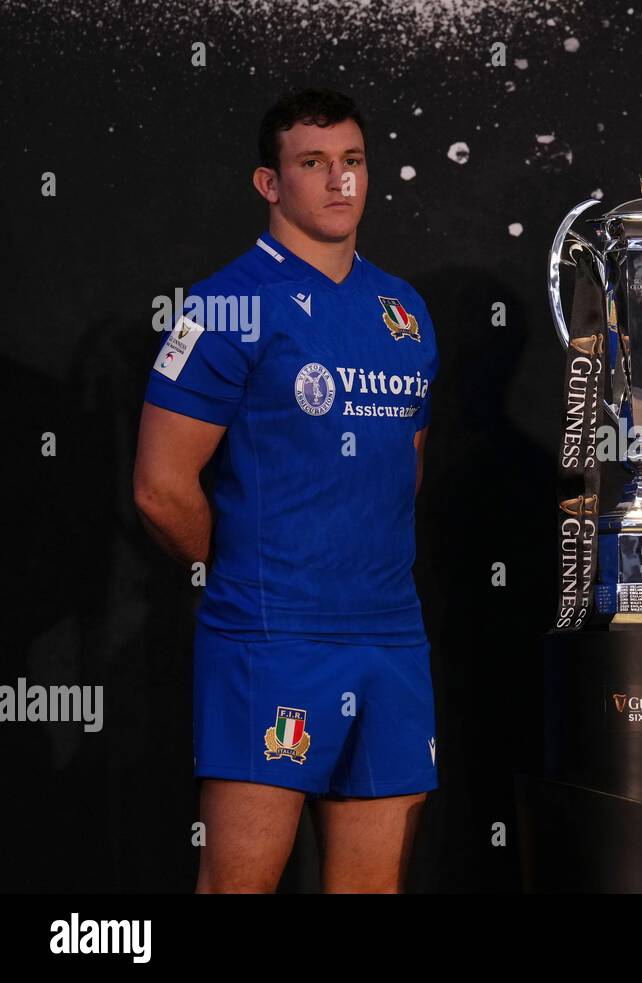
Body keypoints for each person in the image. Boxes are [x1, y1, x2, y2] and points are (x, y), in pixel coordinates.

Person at [133, 88, 440, 893]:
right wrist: (243, 573)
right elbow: (162, 488)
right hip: (270, 641)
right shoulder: (225, 305)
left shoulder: (402, 310)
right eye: (313, 164)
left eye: (353, 162)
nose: (340, 182)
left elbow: (405, 466)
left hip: (391, 639)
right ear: (270, 184)